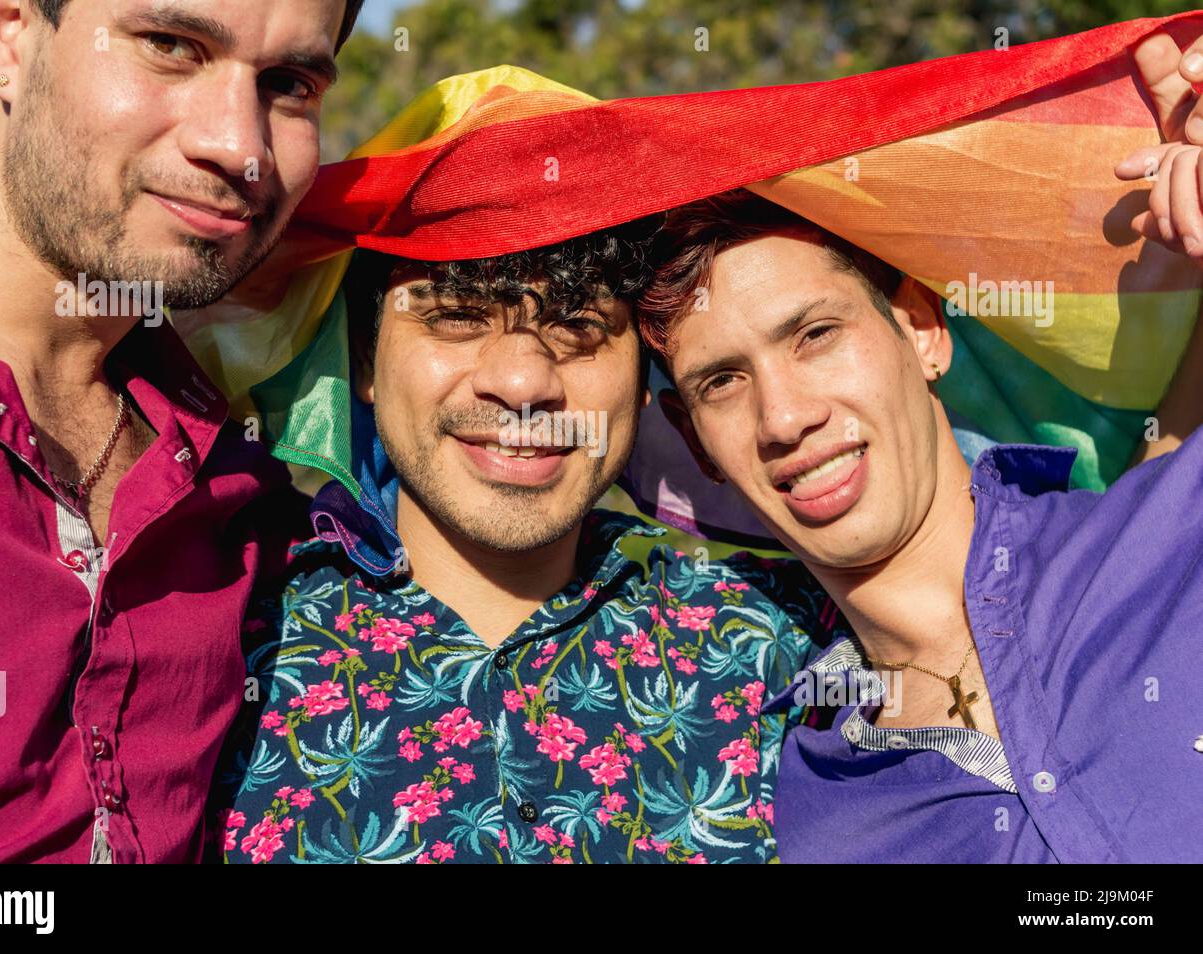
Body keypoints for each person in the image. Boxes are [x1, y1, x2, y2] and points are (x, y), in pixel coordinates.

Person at [635, 34, 1203, 862]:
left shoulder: (1174, 536)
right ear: (696, 443)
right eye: (723, 381)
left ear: (922, 328)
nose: (783, 418)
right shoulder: (813, 824)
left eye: (816, 335)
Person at [209, 220, 844, 864]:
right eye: (458, 316)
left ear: (641, 386)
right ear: (365, 358)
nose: (522, 384)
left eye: (578, 324)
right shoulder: (218, 645)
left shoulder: (789, 636)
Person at [0, 0, 363, 862]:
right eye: (170, 45)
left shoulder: (246, 491)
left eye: (288, 84)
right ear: (9, 26)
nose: (238, 145)